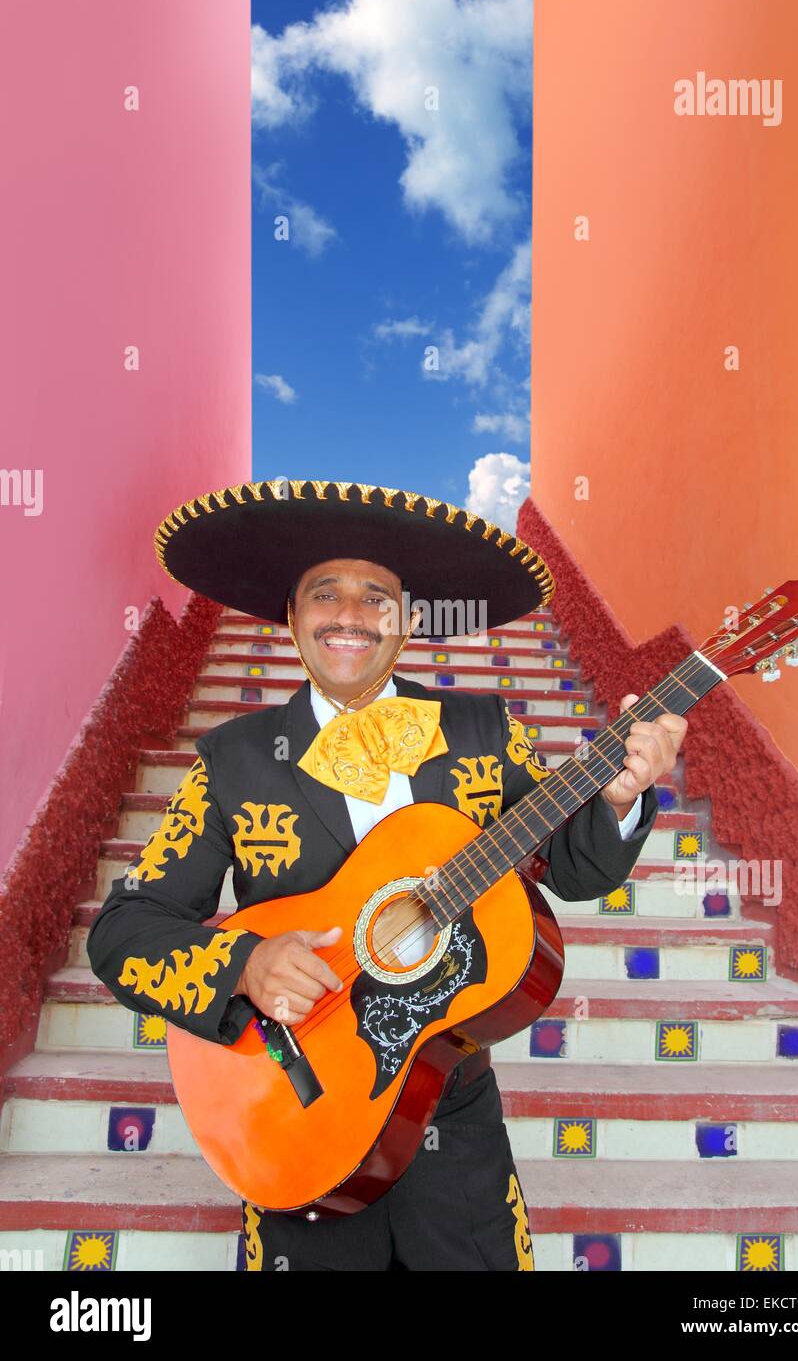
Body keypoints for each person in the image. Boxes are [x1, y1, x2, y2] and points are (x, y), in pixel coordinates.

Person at [87, 477, 687, 1271]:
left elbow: (569, 869)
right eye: (324, 594)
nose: (350, 615)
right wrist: (246, 965)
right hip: (298, 1118)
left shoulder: (484, 730)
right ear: (291, 618)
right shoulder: (231, 761)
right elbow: (124, 931)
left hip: (457, 1131)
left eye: (377, 596)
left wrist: (616, 799)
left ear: (408, 620)